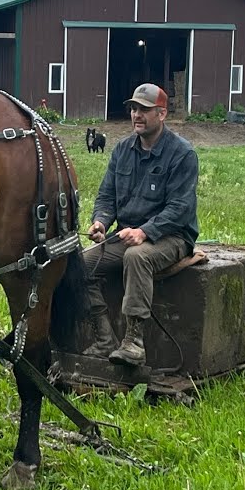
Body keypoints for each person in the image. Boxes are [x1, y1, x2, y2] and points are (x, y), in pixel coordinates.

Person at [83, 82, 199, 368]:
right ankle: (104, 338)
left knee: (137, 257)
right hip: (127, 234)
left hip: (171, 236)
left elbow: (180, 208)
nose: (136, 114)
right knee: (79, 265)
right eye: (134, 108)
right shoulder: (122, 150)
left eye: (144, 110)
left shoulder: (182, 154)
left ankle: (134, 342)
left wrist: (145, 231)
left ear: (162, 114)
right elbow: (107, 195)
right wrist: (100, 221)